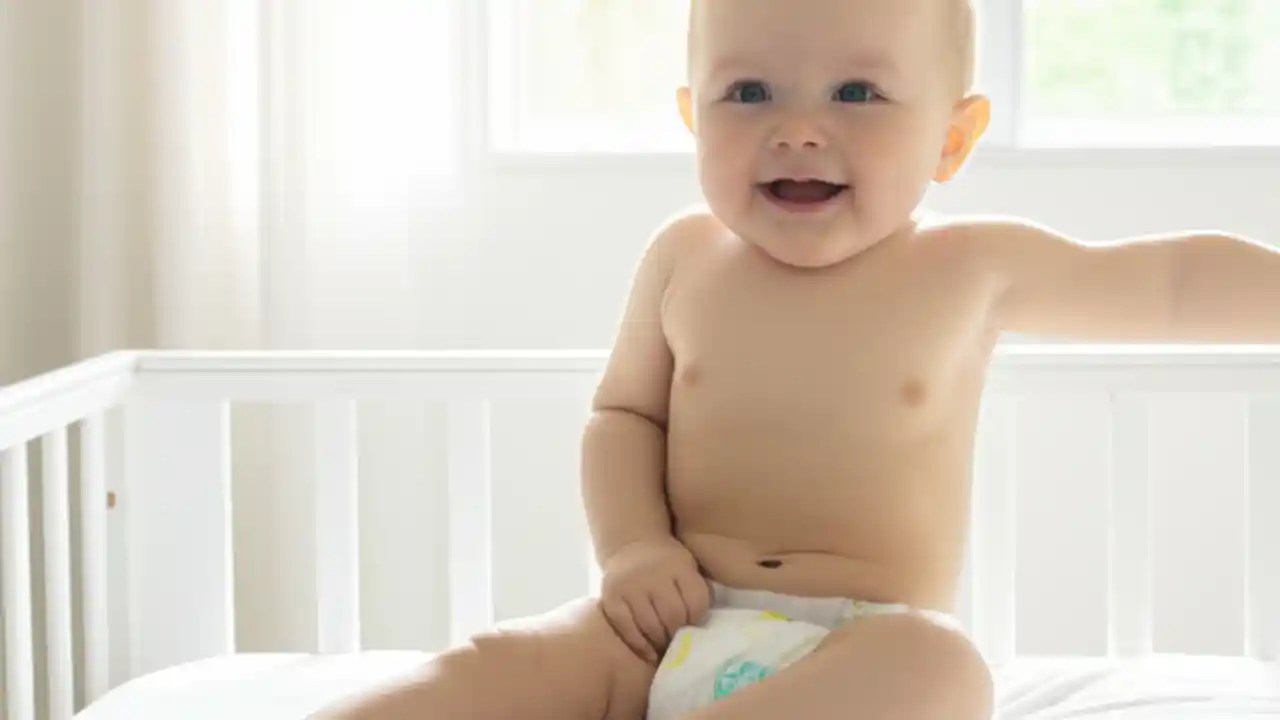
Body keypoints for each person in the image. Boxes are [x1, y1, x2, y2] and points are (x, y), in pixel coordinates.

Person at [312, 0, 1280, 717]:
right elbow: (623, 418)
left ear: (951, 138)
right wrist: (634, 551)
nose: (798, 127)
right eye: (749, 92)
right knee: (488, 665)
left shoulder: (966, 269)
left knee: (941, 671)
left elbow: (1168, 284)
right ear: (694, 117)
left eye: (856, 92)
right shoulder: (682, 257)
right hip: (660, 632)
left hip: (853, 646)